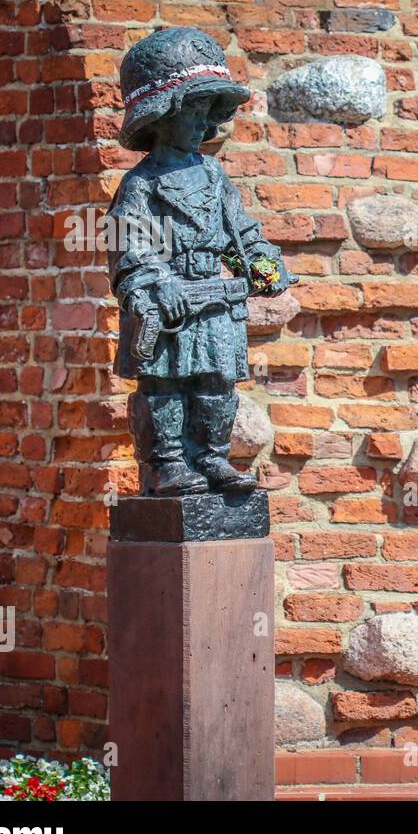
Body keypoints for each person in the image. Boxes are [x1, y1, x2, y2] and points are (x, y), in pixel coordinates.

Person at [108, 27, 296, 496]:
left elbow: (240, 233)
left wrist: (260, 262)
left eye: (207, 112)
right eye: (191, 110)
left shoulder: (214, 176)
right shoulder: (141, 184)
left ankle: (211, 457)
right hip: (169, 305)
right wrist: (157, 284)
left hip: (214, 302)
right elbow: (129, 247)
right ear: (161, 115)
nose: (201, 123)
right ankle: (167, 463)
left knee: (215, 384)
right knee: (165, 386)